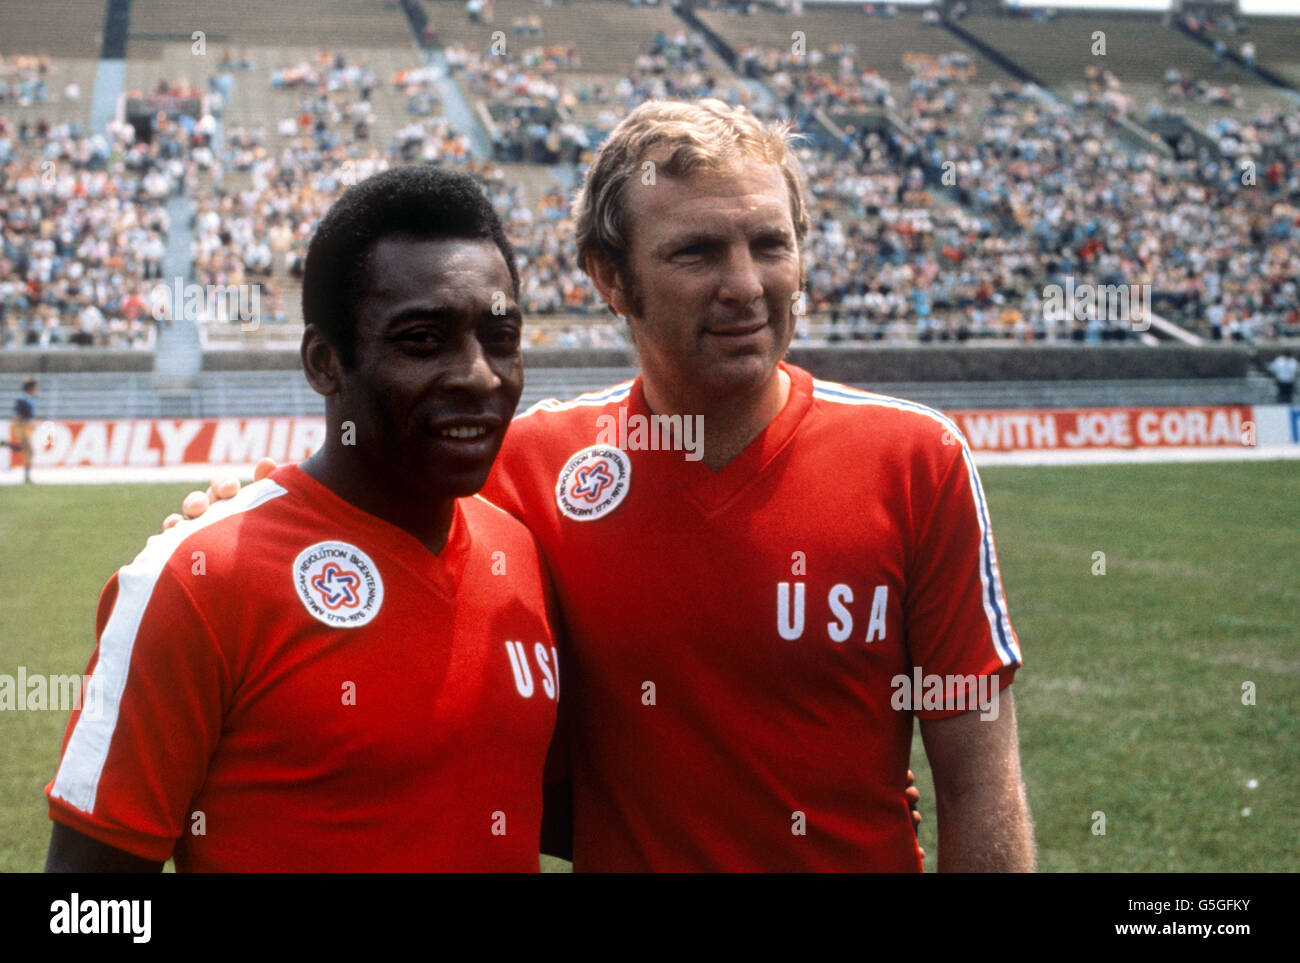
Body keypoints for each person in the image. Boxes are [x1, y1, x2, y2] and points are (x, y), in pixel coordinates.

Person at [174, 99, 1019, 872]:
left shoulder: (916, 460)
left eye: (770, 242)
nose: (745, 284)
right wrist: (236, 515)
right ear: (610, 278)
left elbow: (980, 786)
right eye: (696, 251)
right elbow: (361, 522)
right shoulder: (524, 470)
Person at [44, 166, 561, 872]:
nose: (479, 373)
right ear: (325, 363)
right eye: (422, 340)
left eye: (500, 336)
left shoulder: (522, 554)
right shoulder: (197, 580)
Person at [5, 377, 38, 483]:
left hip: (26, 428)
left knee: (23, 449)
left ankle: (4, 444)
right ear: (30, 388)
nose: (37, 389)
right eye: (35, 387)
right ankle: (27, 477)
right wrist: (25, 421)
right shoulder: (22, 399)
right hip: (21, 427)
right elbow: (17, 413)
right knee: (30, 451)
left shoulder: (29, 399)